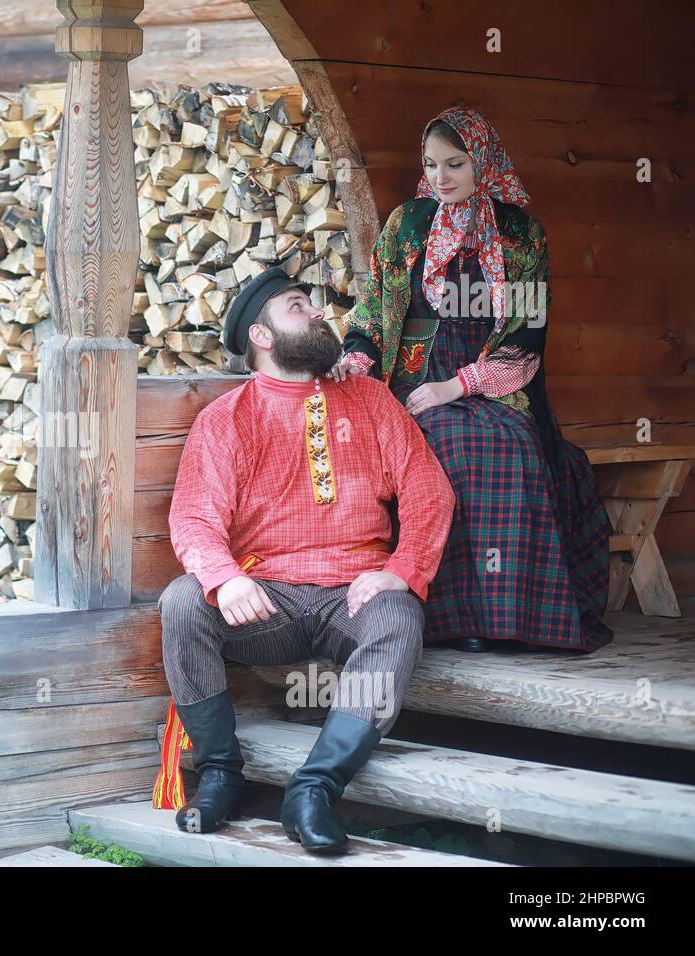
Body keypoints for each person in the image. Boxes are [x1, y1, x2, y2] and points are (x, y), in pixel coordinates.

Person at [152, 266, 455, 853]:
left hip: (353, 594)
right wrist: (225, 579)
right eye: (298, 306)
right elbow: (193, 518)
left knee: (399, 614)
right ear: (262, 337)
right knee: (184, 601)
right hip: (269, 600)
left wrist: (400, 569)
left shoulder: (366, 398)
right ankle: (219, 775)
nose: (318, 313)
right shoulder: (227, 420)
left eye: (311, 303)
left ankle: (313, 789)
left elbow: (427, 488)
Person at [332, 107, 614, 654]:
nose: (441, 178)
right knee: (446, 448)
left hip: (493, 383)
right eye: (431, 165)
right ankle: (452, 619)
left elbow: (527, 333)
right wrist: (356, 363)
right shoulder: (407, 224)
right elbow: (374, 311)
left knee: (510, 448)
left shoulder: (521, 233)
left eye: (454, 164)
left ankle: (513, 619)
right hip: (412, 380)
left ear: (482, 161)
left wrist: (455, 387)